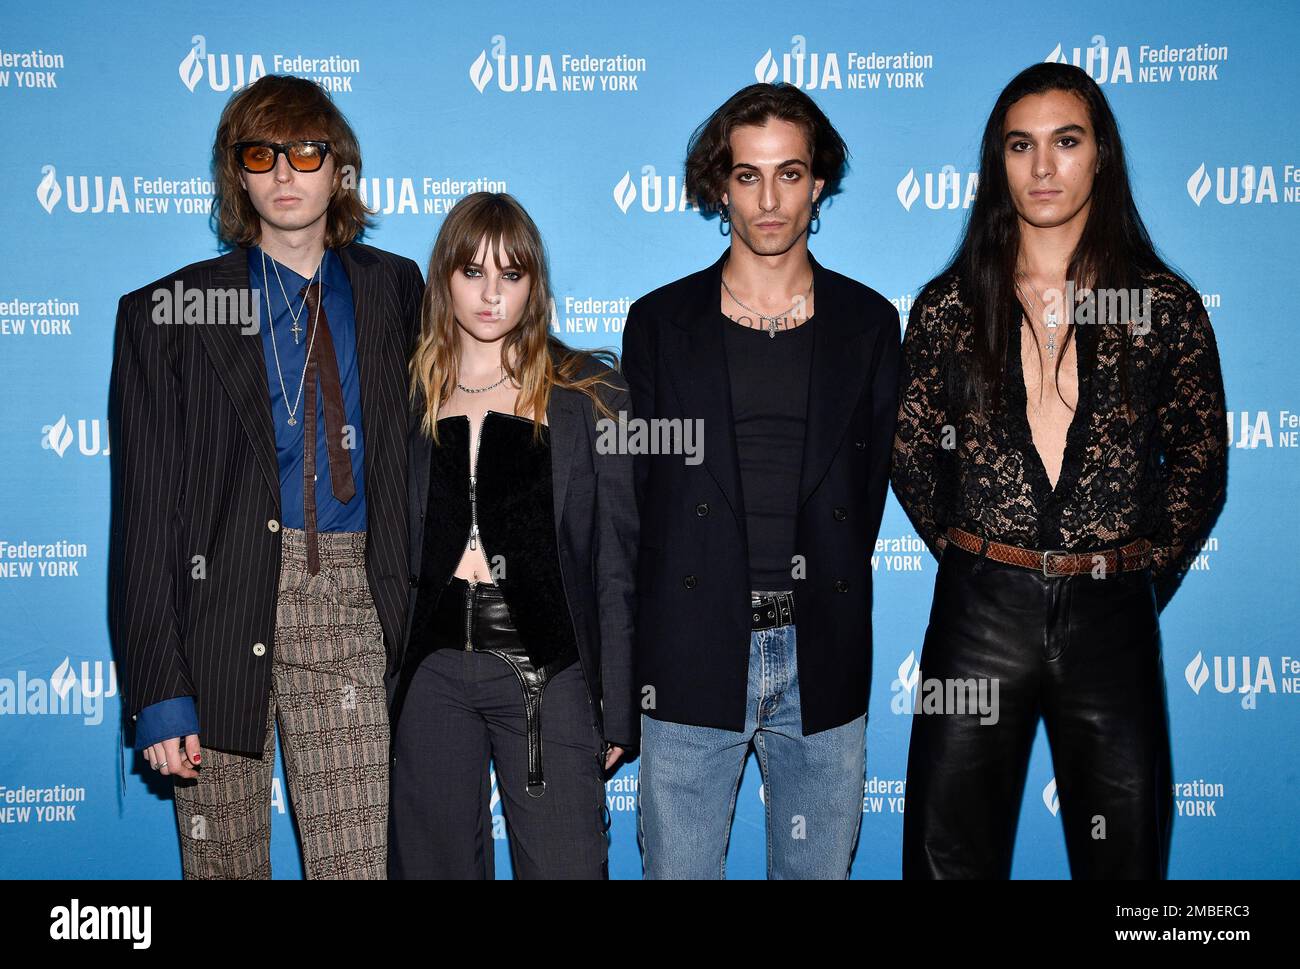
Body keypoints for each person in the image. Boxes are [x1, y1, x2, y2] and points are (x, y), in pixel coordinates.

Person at [891, 62, 1228, 879]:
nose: (1042, 167)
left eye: (1065, 142)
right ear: (997, 162)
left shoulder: (1162, 304)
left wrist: (1133, 574)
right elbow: (908, 453)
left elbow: (1200, 463)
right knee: (946, 859)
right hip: (979, 618)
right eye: (1021, 145)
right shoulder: (948, 305)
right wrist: (979, 560)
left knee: (1129, 868)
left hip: (1112, 618)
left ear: (1100, 155)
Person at [109, 74, 424, 878]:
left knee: (359, 866)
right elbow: (143, 519)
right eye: (262, 154)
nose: (285, 173)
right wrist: (159, 689)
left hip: (353, 609)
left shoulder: (396, 289)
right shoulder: (166, 314)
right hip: (214, 614)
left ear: (339, 170)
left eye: (306, 152)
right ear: (237, 174)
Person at [623, 83, 900, 879]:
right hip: (688, 648)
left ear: (818, 184)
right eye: (747, 176)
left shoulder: (870, 324)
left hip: (824, 652)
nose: (770, 199)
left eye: (790, 173)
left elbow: (869, 485)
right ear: (720, 186)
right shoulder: (658, 322)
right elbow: (641, 500)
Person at [388, 192, 637, 879]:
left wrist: (618, 701)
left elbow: (616, 561)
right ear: (445, 280)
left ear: (535, 283)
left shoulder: (589, 391)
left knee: (567, 864)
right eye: (473, 272)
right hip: (433, 667)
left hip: (547, 667)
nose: (492, 293)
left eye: (512, 273)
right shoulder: (410, 392)